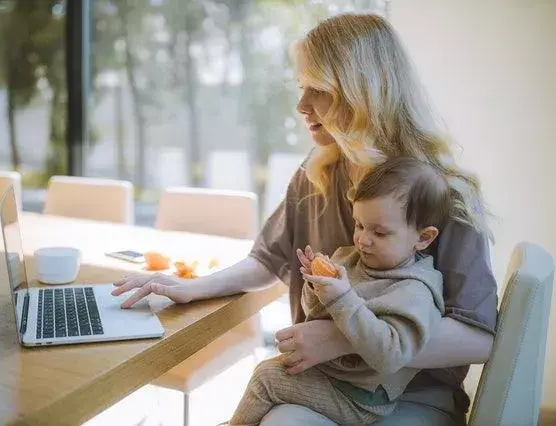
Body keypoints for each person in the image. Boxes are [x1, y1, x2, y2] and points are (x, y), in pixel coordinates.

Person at [112, 13, 497, 425]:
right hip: (325, 380)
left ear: (362, 92)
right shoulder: (314, 174)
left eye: (319, 90)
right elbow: (268, 261)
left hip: (412, 396)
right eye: (301, 88)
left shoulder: (442, 194)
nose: (301, 106)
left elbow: (478, 338)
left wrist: (342, 337)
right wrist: (194, 287)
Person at [228, 157, 450, 426]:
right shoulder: (350, 258)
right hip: (331, 376)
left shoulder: (415, 290)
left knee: (266, 379)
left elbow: (390, 355)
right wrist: (316, 285)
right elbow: (317, 315)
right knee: (270, 369)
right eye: (359, 225)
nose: (362, 240)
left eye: (379, 233)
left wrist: (342, 298)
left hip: (360, 397)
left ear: (423, 238)